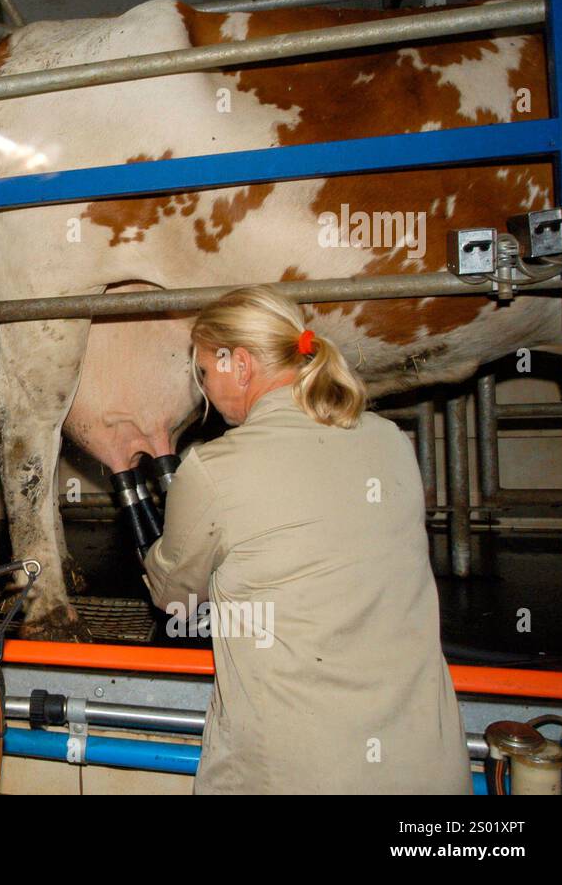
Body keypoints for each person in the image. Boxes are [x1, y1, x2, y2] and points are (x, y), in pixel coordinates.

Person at [142, 285, 472, 794]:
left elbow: (175, 598)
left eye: (204, 372)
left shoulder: (215, 467)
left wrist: (155, 554)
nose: (204, 391)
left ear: (242, 365)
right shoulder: (391, 441)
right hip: (428, 763)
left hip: (295, 772)